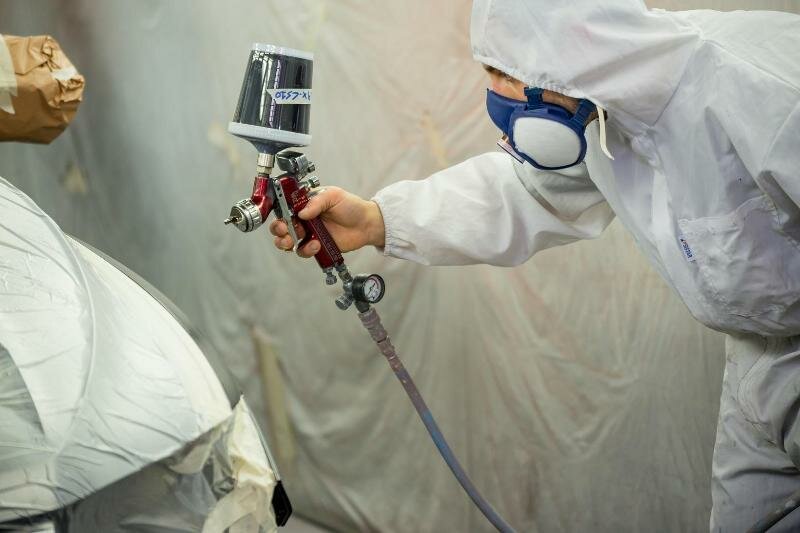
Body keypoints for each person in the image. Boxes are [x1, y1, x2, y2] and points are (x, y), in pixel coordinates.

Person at [270, 1, 800, 530]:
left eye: (508, 73)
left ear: (575, 46)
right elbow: (525, 192)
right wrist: (375, 220)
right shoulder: (606, 105)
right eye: (490, 70)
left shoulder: (768, 97)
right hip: (758, 368)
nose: (497, 95)